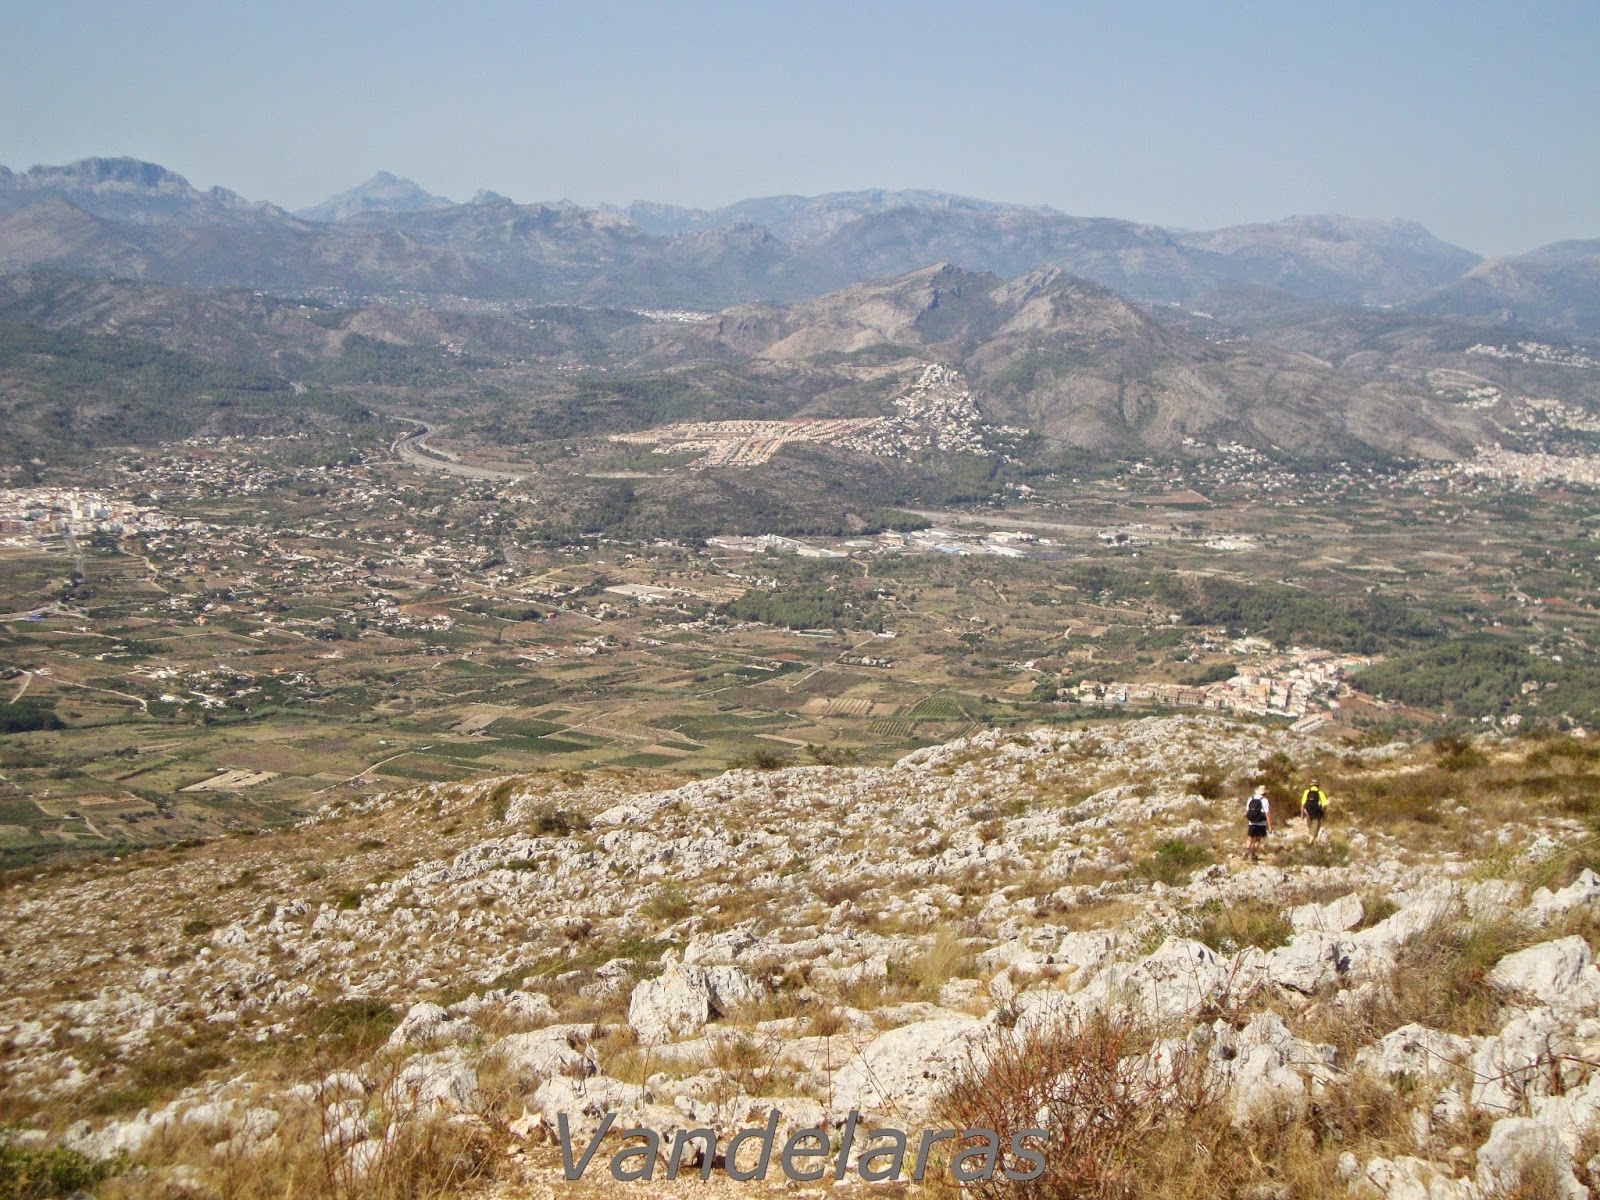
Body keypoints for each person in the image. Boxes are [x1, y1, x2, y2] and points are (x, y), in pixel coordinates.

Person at [1245, 786, 1271, 862]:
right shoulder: (1265, 800)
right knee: (1257, 839)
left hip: (1251, 822)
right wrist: (1269, 826)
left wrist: (1249, 819)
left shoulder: (1251, 798)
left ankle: (1247, 851)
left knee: (1249, 838)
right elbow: (1267, 814)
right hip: (1261, 823)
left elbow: (1247, 810)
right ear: (1264, 793)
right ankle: (1253, 854)